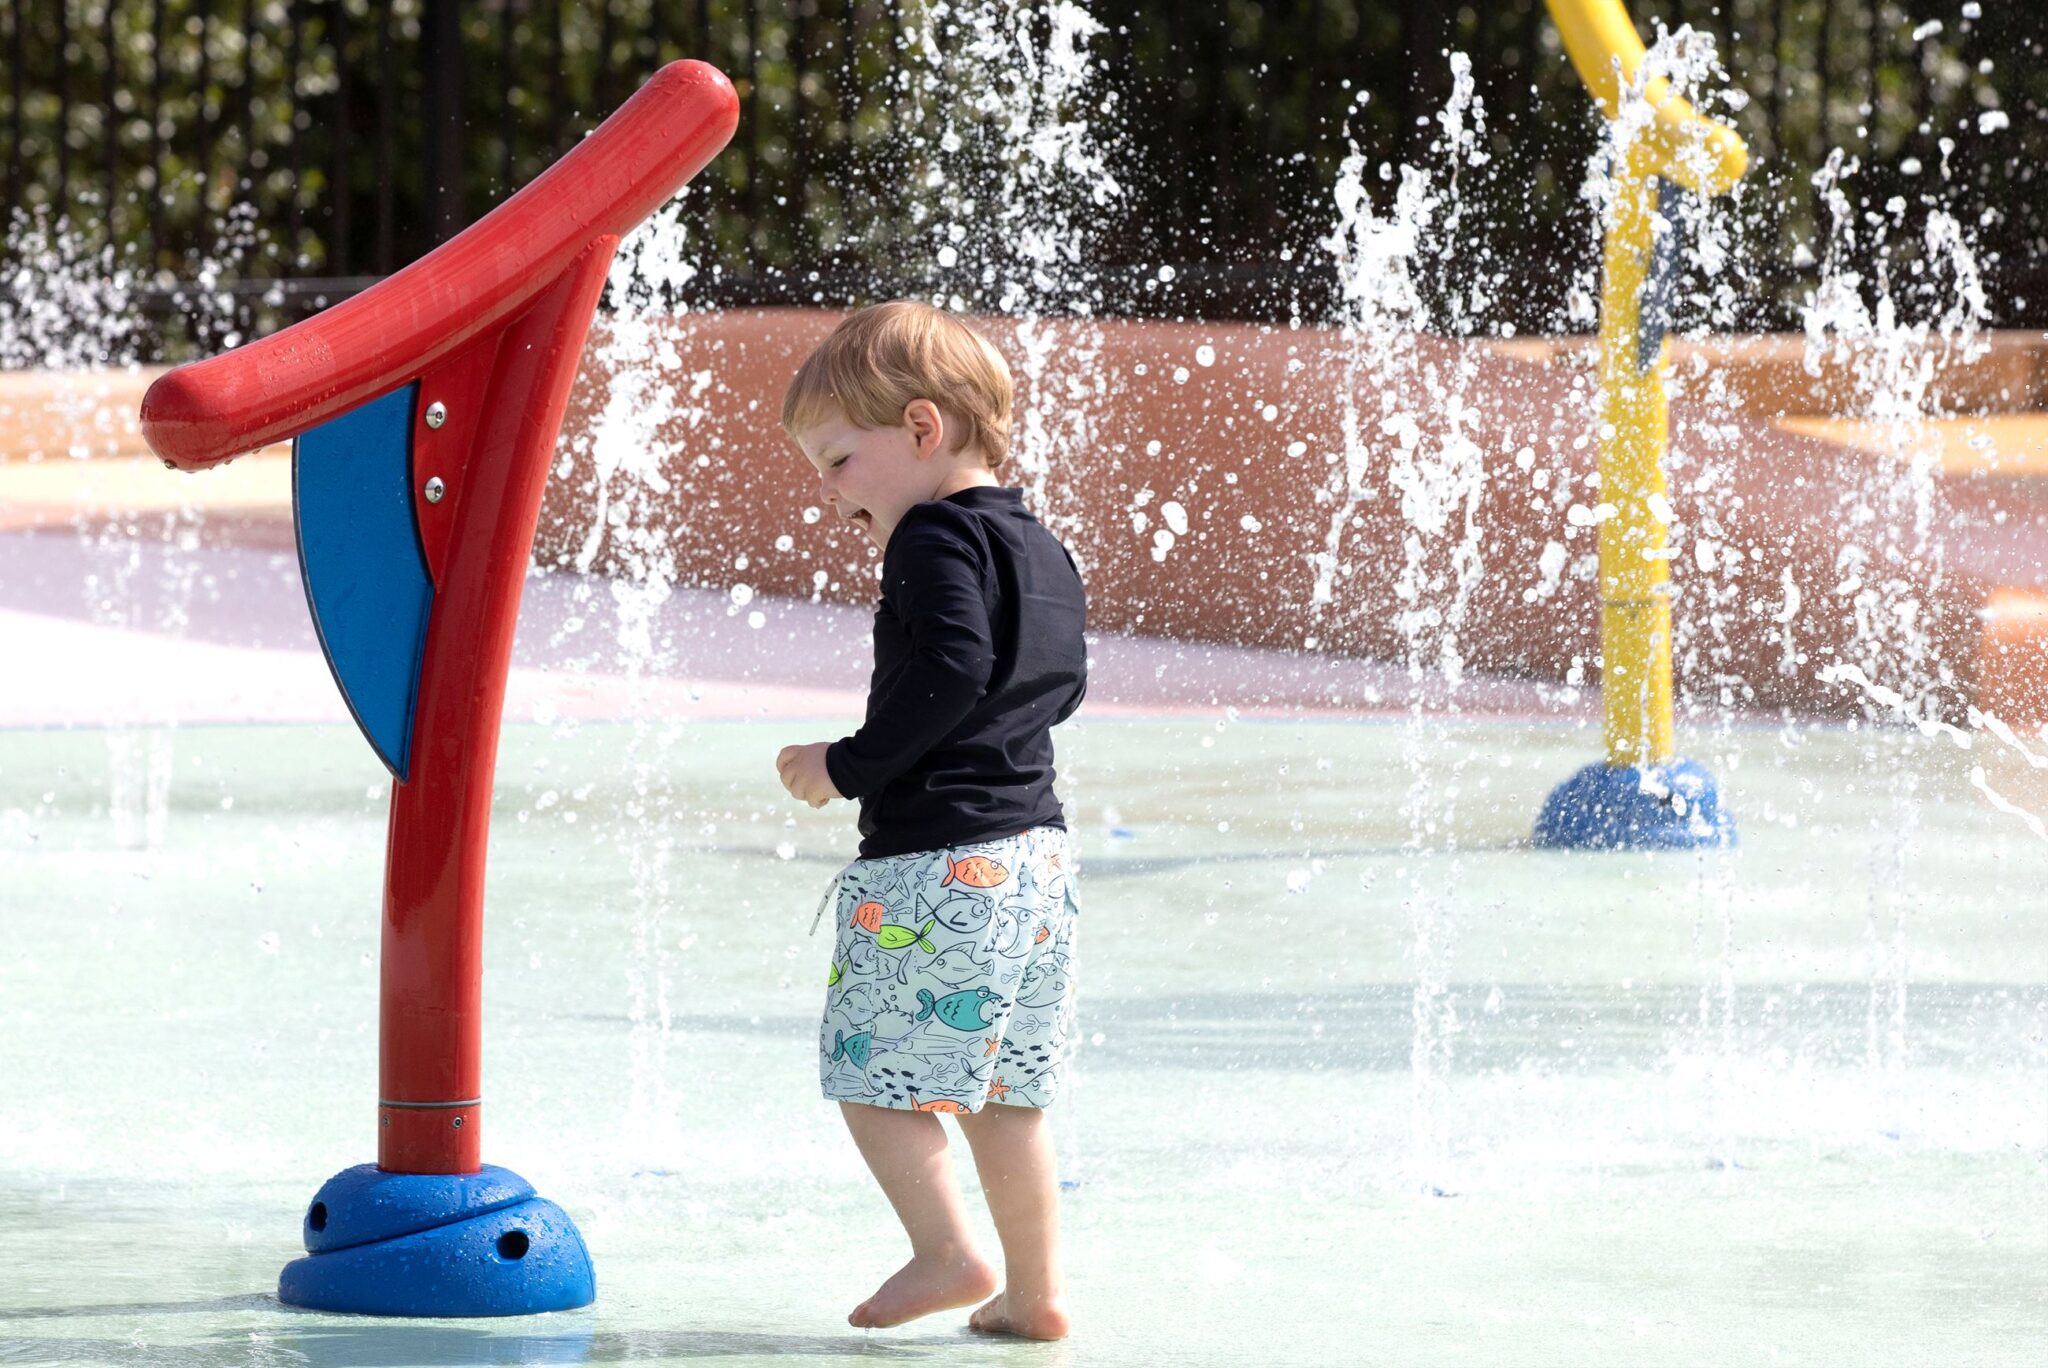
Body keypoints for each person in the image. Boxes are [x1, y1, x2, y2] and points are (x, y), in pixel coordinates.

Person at [775, 301, 1089, 1341]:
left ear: (921, 428)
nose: (832, 492)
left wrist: (847, 764)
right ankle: (1033, 1292)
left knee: (871, 1076)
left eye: (837, 460)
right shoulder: (1039, 545)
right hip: (1038, 864)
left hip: (937, 865)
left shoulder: (929, 535)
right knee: (1007, 1091)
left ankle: (947, 1251)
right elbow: (1061, 683)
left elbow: (952, 667)